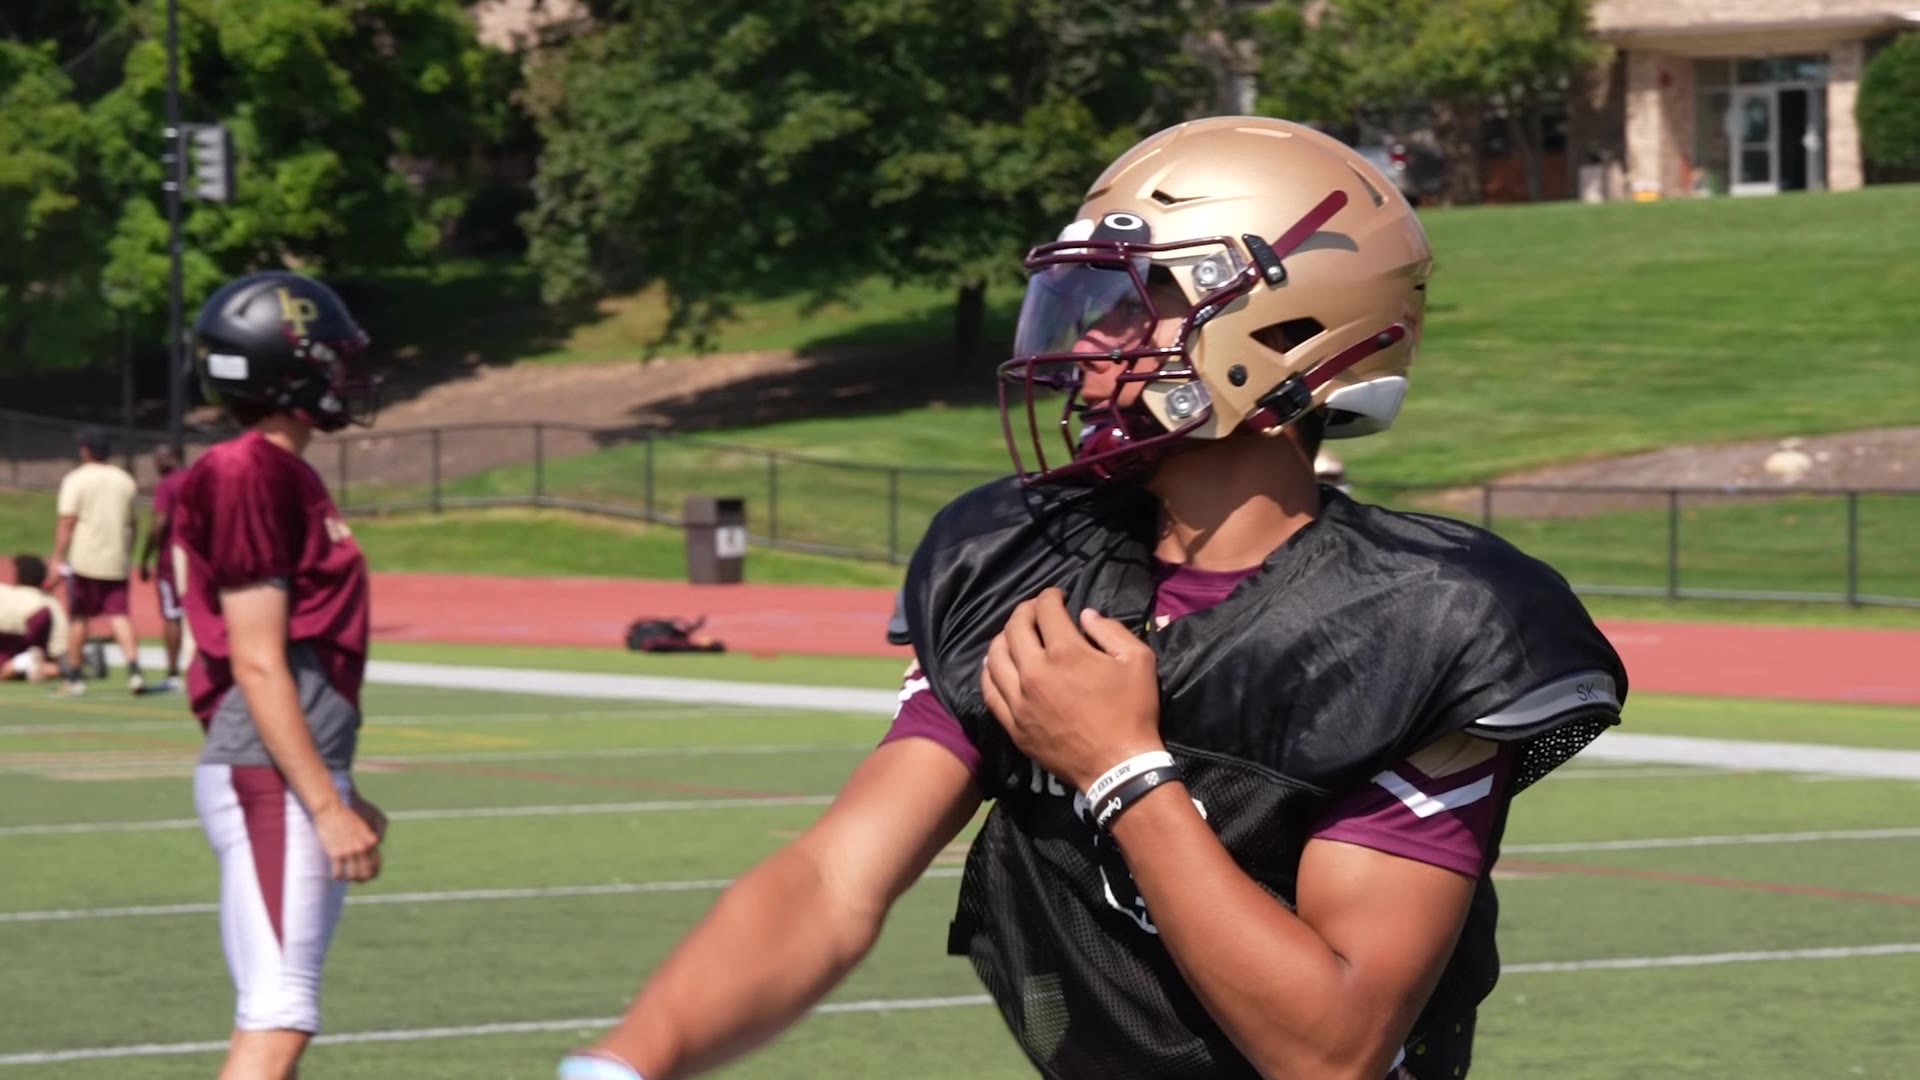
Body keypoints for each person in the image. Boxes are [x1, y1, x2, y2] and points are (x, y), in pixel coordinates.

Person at [558, 117, 1626, 1080]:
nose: (1086, 341)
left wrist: (1122, 769)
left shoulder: (1427, 621)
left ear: (1280, 328)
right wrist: (624, 1065)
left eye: (1133, 300)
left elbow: (1333, 1050)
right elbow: (837, 880)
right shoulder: (1021, 559)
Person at [172, 269, 389, 1080]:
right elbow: (258, 659)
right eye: (326, 357)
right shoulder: (247, 471)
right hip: (269, 775)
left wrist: (336, 784)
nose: (343, 372)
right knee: (279, 1012)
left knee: (276, 1011)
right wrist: (323, 803)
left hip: (284, 771)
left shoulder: (278, 468)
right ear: (281, 368)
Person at [50, 426, 142, 695]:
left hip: (85, 559)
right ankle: (134, 670)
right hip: (116, 560)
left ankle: (75, 676)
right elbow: (132, 524)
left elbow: (67, 520)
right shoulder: (125, 480)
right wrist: (127, 552)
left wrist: (57, 556)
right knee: (120, 615)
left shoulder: (76, 479)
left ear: (86, 450)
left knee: (79, 616)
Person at [138, 444, 190, 690]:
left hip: (172, 558)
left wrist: (147, 556)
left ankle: (172, 673)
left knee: (172, 614)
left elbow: (160, 522)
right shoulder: (197, 479)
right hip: (200, 557)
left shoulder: (167, 484)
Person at [0, 555, 74, 684]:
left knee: (6, 669)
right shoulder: (48, 600)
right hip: (40, 643)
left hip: (24, 643)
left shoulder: (11, 593)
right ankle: (72, 664)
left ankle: (25, 663)